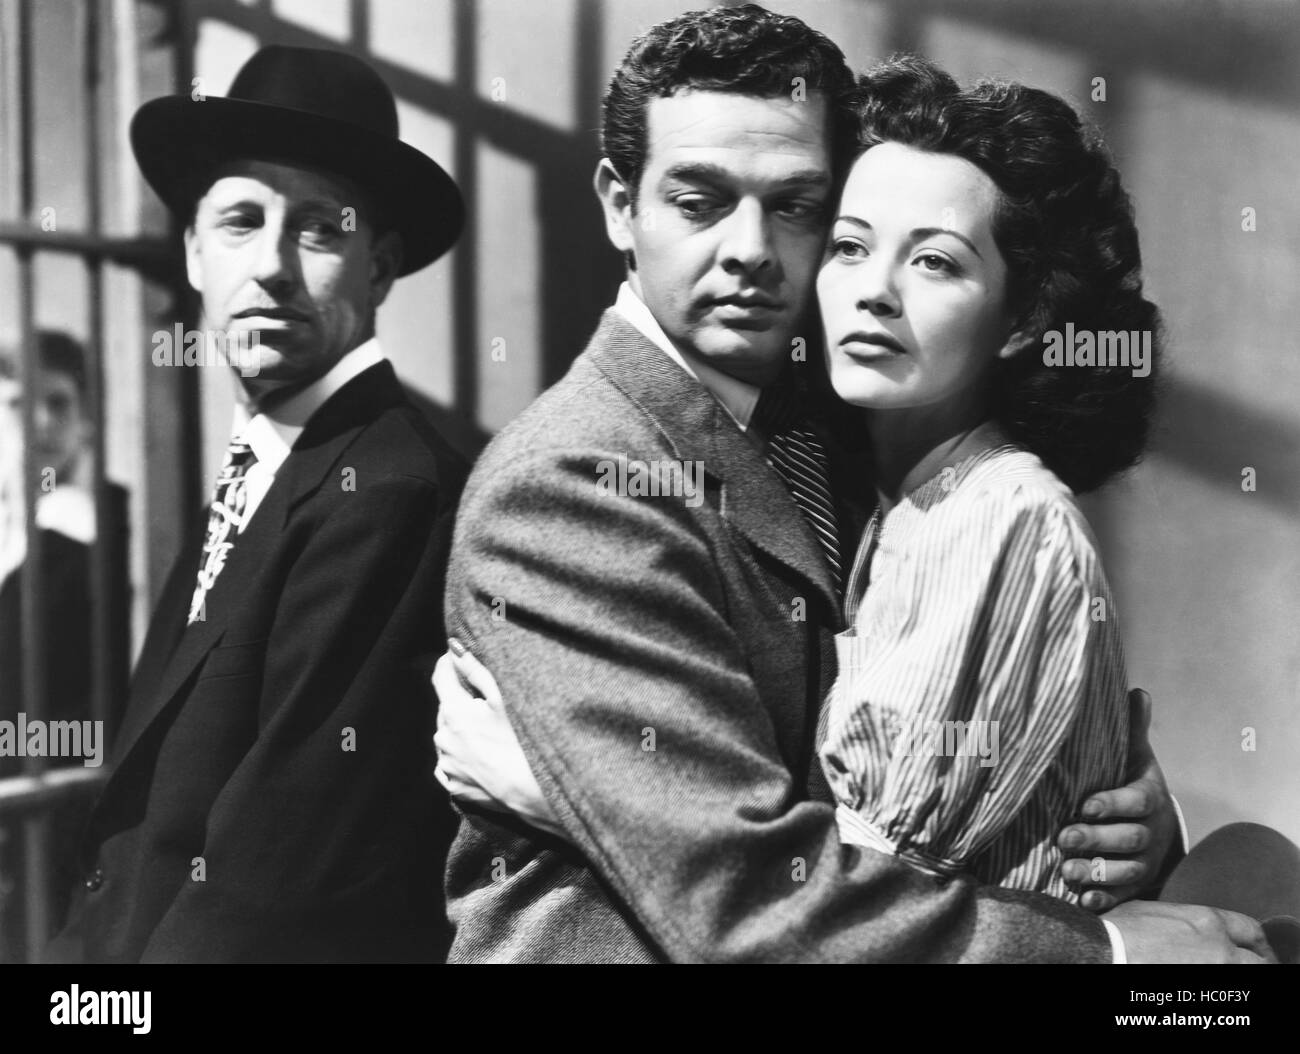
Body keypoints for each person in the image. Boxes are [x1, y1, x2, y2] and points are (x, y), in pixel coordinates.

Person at [431, 5, 1268, 962]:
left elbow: (911, 752)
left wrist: (1099, 801)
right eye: (700, 199)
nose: (749, 249)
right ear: (621, 205)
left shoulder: (845, 422)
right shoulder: (575, 483)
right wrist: (1105, 956)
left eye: (795, 207)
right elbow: (745, 900)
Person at [47, 45, 467, 963]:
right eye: (241, 221)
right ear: (196, 254)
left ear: (381, 268)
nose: (272, 266)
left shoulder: (390, 489)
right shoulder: (270, 461)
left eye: (318, 229)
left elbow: (277, 886)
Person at [813, 56, 1155, 900]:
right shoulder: (888, 503)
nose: (874, 293)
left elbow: (865, 893)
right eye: (849, 247)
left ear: (1023, 320)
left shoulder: (1007, 519)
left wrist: (589, 801)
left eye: (934, 262)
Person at [0, 333, 130, 961]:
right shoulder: (19, 527)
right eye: (23, 404)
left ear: (89, 418)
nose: (44, 423)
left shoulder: (95, 521)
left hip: (61, 801)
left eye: (60, 403)